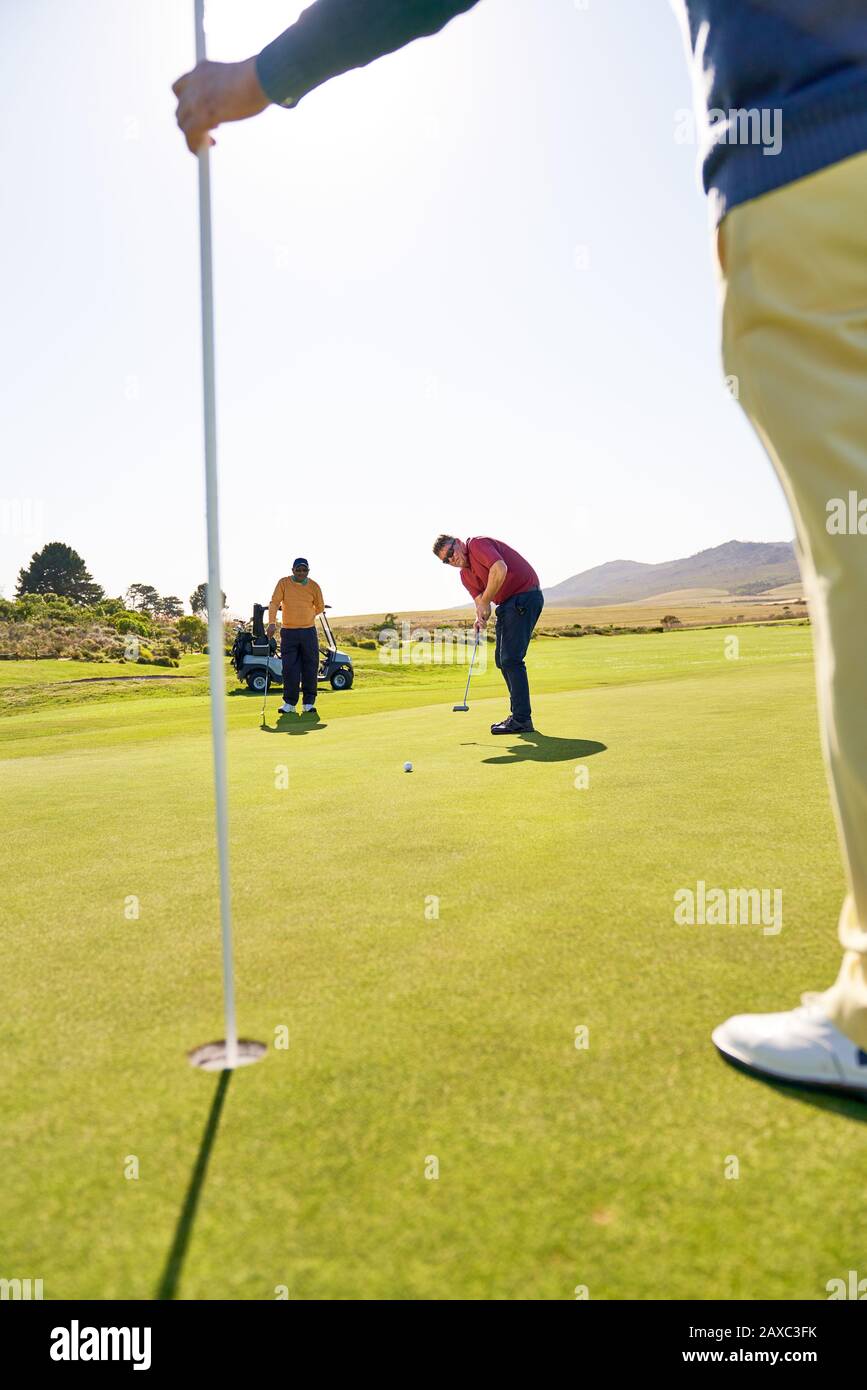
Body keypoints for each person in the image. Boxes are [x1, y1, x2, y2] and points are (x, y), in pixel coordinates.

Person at [174, 5, 867, 1097]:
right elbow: (480, 583)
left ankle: (864, 1004)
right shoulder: (456, 558)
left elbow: (502, 576)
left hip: (818, 172)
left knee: (838, 583)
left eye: (448, 540)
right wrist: (478, 605)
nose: (450, 547)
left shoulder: (479, 551)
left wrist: (266, 74)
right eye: (446, 544)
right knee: (509, 657)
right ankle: (517, 713)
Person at [434, 534, 543, 735]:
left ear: (458, 542)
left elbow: (499, 569)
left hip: (524, 595)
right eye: (446, 560)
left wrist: (485, 601)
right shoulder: (465, 576)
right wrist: (480, 617)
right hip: (508, 605)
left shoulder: (477, 544)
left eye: (451, 552)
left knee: (511, 659)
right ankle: (518, 717)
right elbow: (482, 605)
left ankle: (521, 719)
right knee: (503, 661)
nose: (451, 559)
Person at [268, 558, 325, 716]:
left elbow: (320, 606)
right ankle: (289, 703)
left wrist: (308, 615)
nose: (301, 573)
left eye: (304, 570)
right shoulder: (284, 583)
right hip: (289, 632)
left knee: (310, 667)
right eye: (298, 570)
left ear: (308, 571)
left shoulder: (314, 586)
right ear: (292, 570)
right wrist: (271, 623)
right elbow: (274, 603)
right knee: (289, 668)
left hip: (308, 632)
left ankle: (308, 703)